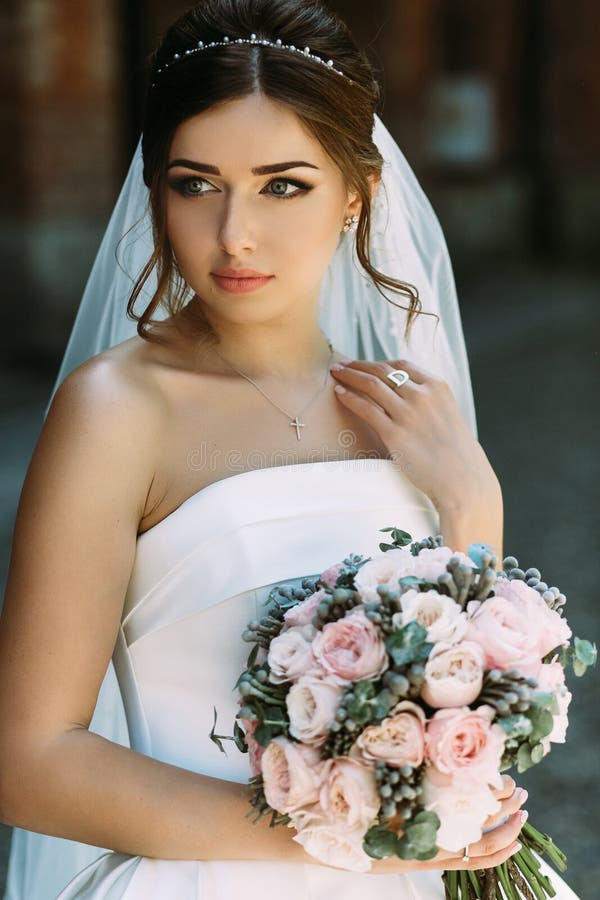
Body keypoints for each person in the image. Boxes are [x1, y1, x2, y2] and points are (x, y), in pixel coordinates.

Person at [0, 1, 579, 897]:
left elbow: (458, 699)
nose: (235, 233)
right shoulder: (117, 409)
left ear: (355, 194)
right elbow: (29, 758)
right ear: (154, 190)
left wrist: (473, 506)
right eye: (196, 183)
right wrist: (340, 842)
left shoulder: (406, 405)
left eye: (282, 185)